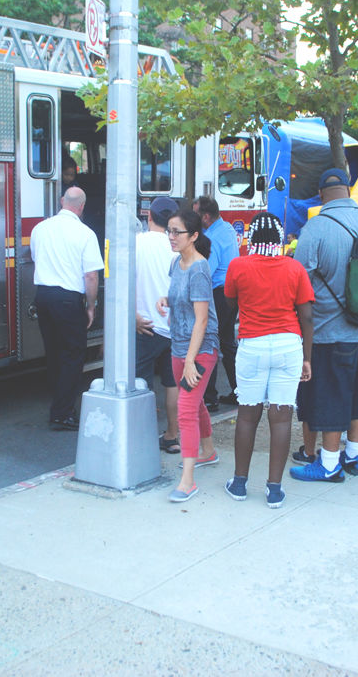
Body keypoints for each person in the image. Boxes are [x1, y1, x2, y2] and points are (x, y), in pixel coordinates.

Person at [290, 168, 358, 483]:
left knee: (332, 395)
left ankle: (328, 464)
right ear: (349, 191)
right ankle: (355, 456)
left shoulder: (316, 227)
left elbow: (299, 280)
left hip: (329, 331)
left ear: (322, 195)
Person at [222, 213, 314, 508]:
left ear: (250, 238)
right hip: (289, 345)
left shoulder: (238, 265)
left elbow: (230, 305)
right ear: (279, 239)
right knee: (281, 417)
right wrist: (307, 359)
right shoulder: (295, 268)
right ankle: (274, 489)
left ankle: (239, 483)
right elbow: (307, 316)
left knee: (247, 415)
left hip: (252, 345)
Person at [157, 208, 220, 502]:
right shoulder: (176, 263)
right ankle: (207, 452)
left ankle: (187, 481)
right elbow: (182, 297)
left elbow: (202, 319)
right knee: (194, 406)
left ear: (193, 236)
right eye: (169, 230)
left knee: (185, 410)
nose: (171, 237)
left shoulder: (199, 268)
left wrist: (192, 360)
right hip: (179, 345)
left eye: (176, 232)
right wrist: (166, 299)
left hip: (201, 349)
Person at [30, 187, 104, 430]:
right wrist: (91, 306)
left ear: (62, 201)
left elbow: (35, 258)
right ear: (81, 207)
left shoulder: (40, 229)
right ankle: (62, 412)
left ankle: (58, 401)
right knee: (73, 354)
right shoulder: (85, 233)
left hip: (43, 296)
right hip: (67, 299)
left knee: (53, 352)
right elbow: (91, 276)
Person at [135, 196, 181, 454]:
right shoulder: (177, 246)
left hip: (145, 325)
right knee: (171, 383)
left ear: (149, 217)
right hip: (172, 327)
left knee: (141, 384)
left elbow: (121, 281)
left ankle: (141, 438)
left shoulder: (135, 243)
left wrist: (132, 317)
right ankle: (172, 436)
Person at [193, 196, 240, 411]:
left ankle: (209, 397)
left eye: (196, 214)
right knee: (228, 343)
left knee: (208, 343)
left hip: (217, 295)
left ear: (205, 216)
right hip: (230, 294)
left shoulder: (211, 238)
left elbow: (206, 271)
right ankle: (239, 390)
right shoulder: (227, 229)